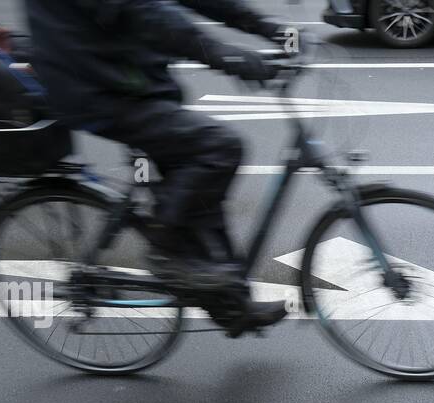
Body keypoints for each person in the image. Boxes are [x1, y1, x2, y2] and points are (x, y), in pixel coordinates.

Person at [21, 0, 294, 331]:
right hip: (98, 91)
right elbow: (148, 13)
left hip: (126, 79)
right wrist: (231, 57)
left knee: (199, 188)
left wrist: (270, 27)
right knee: (219, 148)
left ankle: (231, 305)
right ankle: (167, 251)